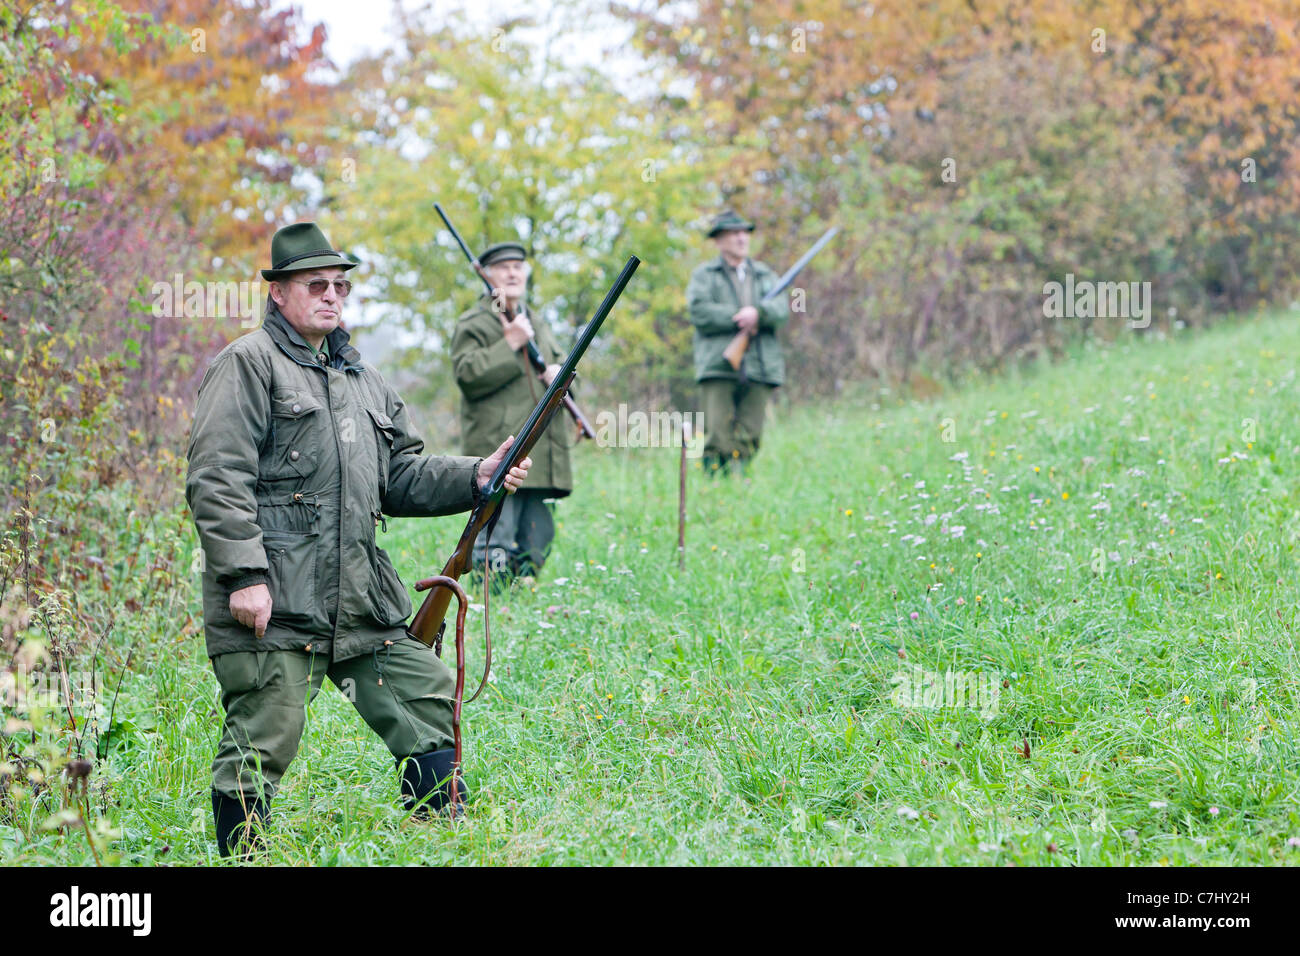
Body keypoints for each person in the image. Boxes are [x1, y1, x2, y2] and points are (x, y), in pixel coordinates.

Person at [185, 222, 531, 858]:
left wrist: (476, 473)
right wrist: (243, 576)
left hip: (361, 606)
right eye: (316, 285)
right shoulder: (247, 365)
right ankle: (243, 860)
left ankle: (436, 844)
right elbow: (217, 479)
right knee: (265, 734)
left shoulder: (363, 381)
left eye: (340, 286)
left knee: (427, 701)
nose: (332, 296)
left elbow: (401, 476)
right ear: (280, 294)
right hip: (277, 608)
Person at [449, 241, 572, 581]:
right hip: (499, 446)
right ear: (486, 275)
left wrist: (559, 373)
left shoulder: (536, 320)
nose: (513, 272)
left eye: (518, 266)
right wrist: (510, 344)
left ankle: (526, 591)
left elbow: (559, 363)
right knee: (496, 537)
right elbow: (468, 375)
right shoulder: (474, 322)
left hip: (541, 450)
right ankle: (494, 598)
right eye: (503, 267)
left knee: (537, 538)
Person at [686, 210, 789, 475]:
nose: (741, 238)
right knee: (716, 433)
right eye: (734, 233)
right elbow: (699, 311)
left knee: (750, 432)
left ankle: (737, 483)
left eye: (744, 232)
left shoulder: (765, 274)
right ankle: (714, 486)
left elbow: (782, 310)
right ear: (719, 240)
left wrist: (759, 314)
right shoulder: (704, 275)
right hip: (718, 363)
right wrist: (738, 316)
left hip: (759, 364)